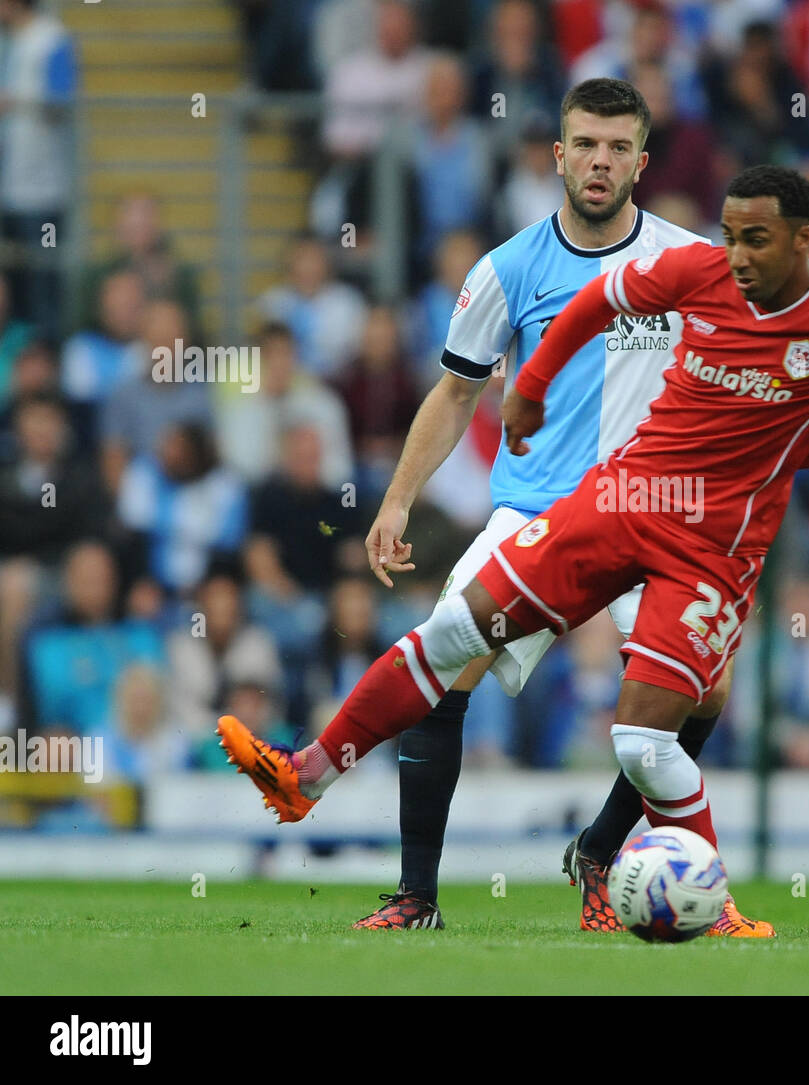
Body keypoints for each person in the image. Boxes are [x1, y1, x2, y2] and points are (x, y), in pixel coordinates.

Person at [220, 79, 773, 938]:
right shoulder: (508, 268)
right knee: (448, 667)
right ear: (557, 155)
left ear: (641, 161)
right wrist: (396, 499)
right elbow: (454, 394)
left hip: (650, 512)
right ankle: (416, 897)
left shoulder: (685, 261)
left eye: (618, 147)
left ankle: (599, 851)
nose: (600, 161)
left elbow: (748, 365)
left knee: (704, 689)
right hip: (538, 514)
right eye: (585, 144)